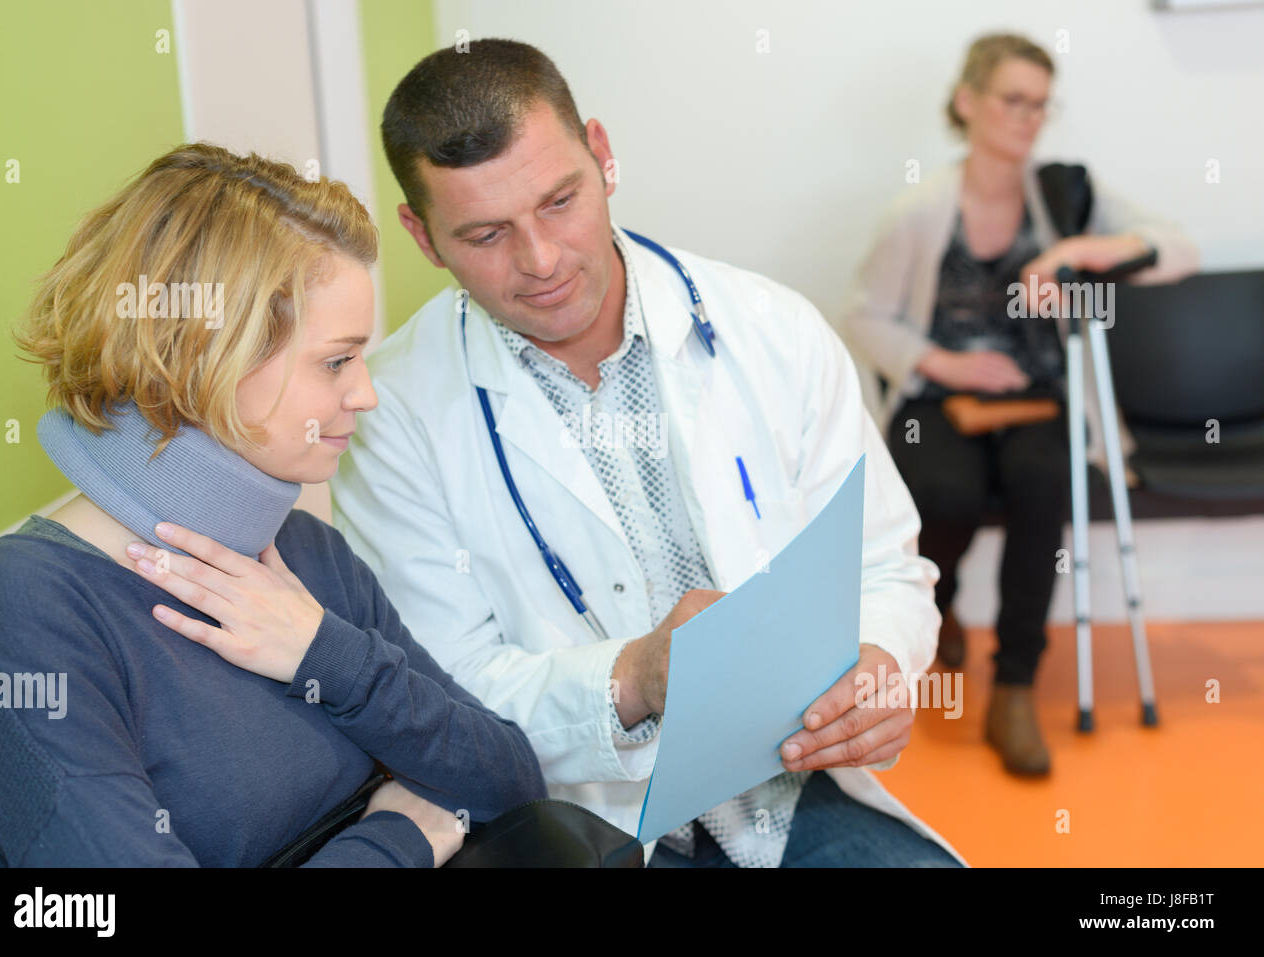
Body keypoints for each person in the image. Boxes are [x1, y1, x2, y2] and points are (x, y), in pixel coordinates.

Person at [330, 38, 965, 867]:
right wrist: (635, 677)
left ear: (601, 153)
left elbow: (883, 565)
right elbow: (441, 700)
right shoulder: (390, 415)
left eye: (560, 202)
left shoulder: (773, 330)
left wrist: (877, 665)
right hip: (582, 821)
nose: (541, 260)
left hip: (790, 788)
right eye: (486, 234)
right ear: (421, 235)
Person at [0, 143, 546, 867]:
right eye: (337, 360)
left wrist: (325, 655)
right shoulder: (18, 608)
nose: (364, 393)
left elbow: (512, 779)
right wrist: (395, 840)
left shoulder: (305, 551)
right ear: (202, 358)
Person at [839, 33, 1198, 775]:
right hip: (941, 398)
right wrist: (948, 360)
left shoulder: (1065, 196)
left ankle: (1014, 685)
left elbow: (1176, 247)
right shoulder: (920, 210)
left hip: (1039, 397)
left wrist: (1076, 253)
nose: (1029, 118)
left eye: (1041, 104)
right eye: (1012, 99)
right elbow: (866, 316)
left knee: (1045, 484)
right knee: (943, 489)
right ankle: (935, 613)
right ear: (968, 101)